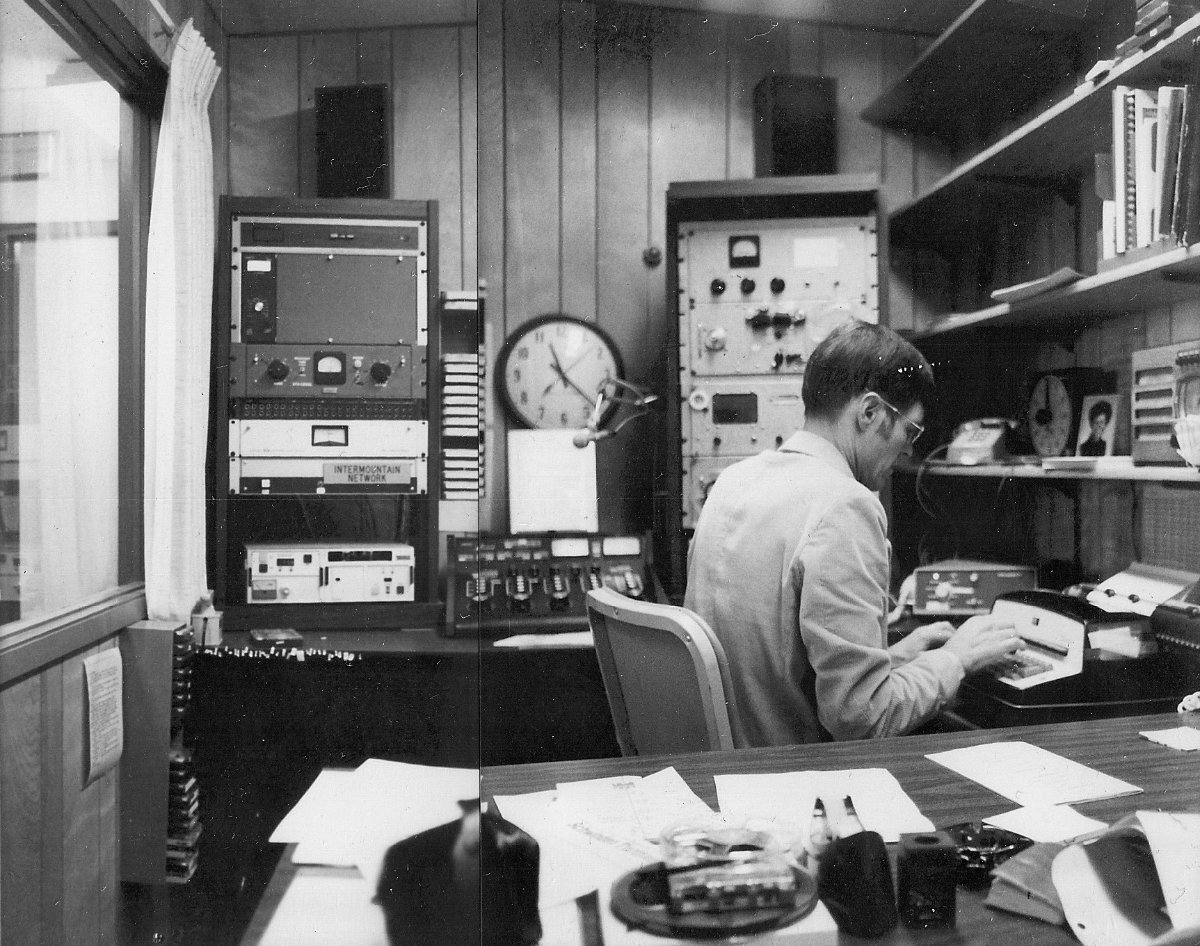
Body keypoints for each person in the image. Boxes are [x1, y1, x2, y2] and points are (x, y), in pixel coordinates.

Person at [684, 321, 1022, 746]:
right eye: (910, 430)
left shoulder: (734, 480)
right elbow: (862, 718)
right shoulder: (845, 506)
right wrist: (956, 659)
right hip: (796, 783)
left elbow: (775, 671)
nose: (909, 450)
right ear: (870, 413)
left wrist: (898, 657)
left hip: (733, 769)